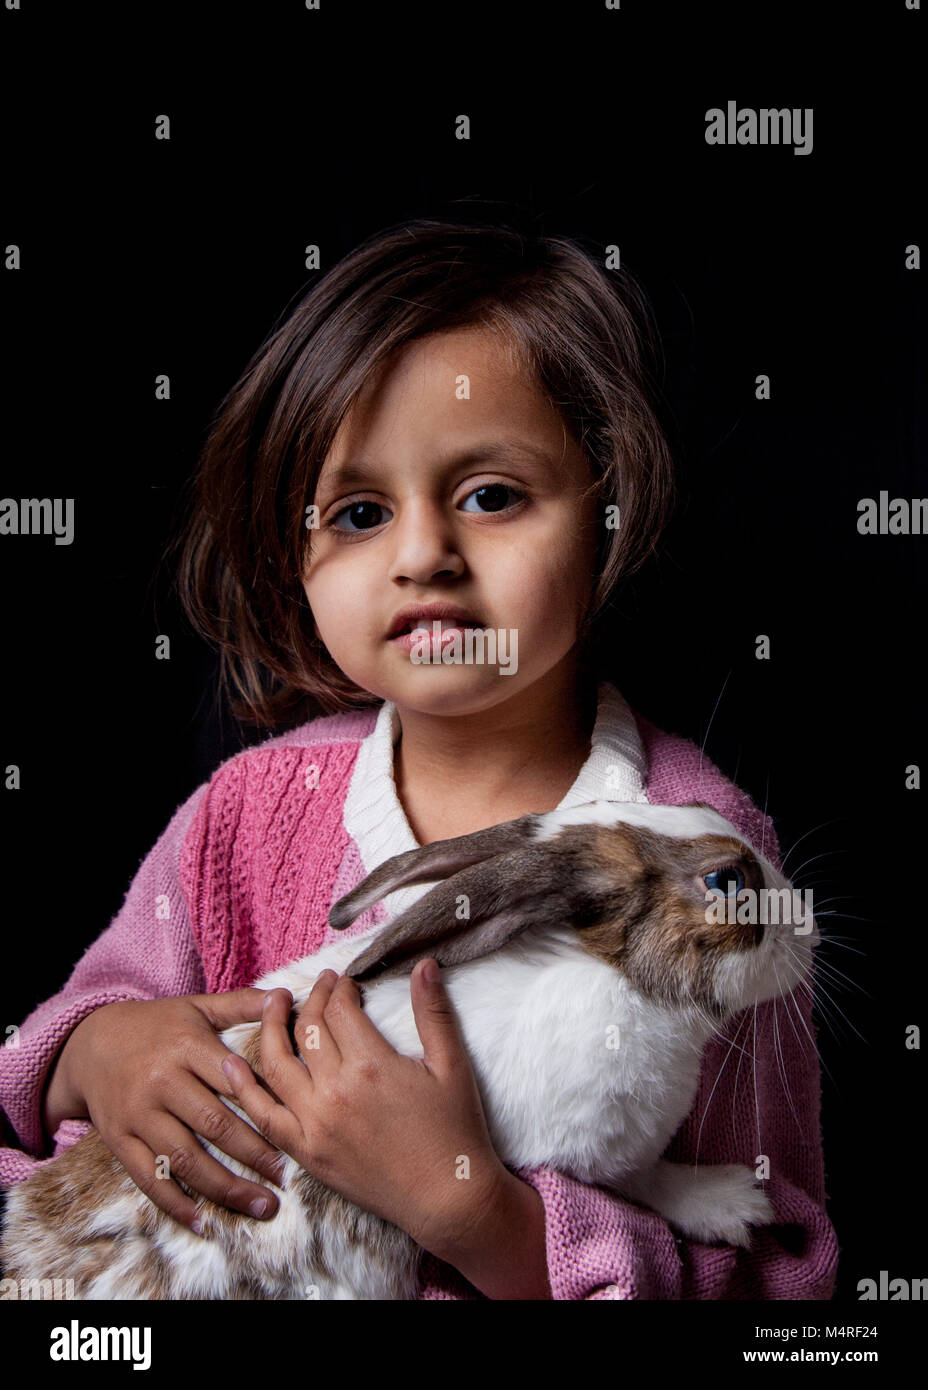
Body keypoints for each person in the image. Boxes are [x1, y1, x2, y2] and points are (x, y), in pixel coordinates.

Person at [0, 219, 838, 1299]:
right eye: (358, 513)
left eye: (491, 495)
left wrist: (472, 1212)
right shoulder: (249, 813)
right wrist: (100, 1051)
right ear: (290, 557)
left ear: (607, 511)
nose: (422, 555)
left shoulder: (712, 861)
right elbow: (51, 1057)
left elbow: (781, 1269)